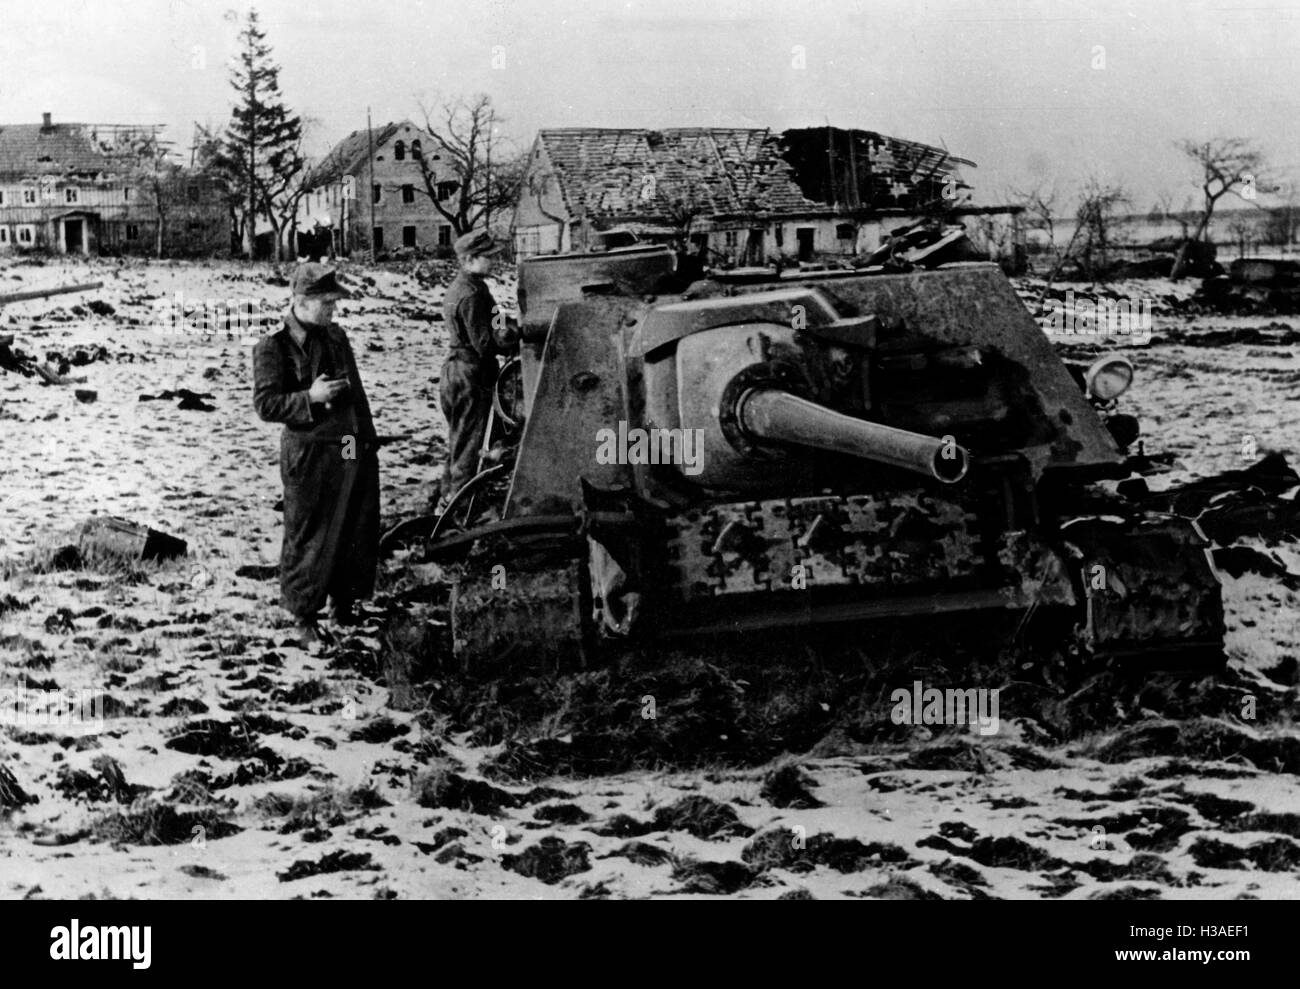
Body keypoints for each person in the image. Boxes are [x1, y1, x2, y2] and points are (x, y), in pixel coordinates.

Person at [253, 262, 380, 645]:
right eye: (327, 303)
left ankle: (345, 602)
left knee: (354, 525)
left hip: (347, 444)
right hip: (309, 454)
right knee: (309, 533)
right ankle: (303, 616)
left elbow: (356, 392)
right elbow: (266, 404)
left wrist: (367, 440)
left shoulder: (336, 337)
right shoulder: (273, 347)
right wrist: (310, 397)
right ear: (302, 302)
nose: (333, 310)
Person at [436, 230, 517, 511]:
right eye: (488, 257)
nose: (494, 261)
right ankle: (458, 510)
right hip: (469, 373)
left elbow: (494, 318)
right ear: (469, 259)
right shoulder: (470, 295)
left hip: (459, 370)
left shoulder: (472, 287)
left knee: (460, 439)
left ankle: (447, 497)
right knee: (469, 443)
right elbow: (484, 343)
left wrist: (505, 323)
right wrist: (510, 338)